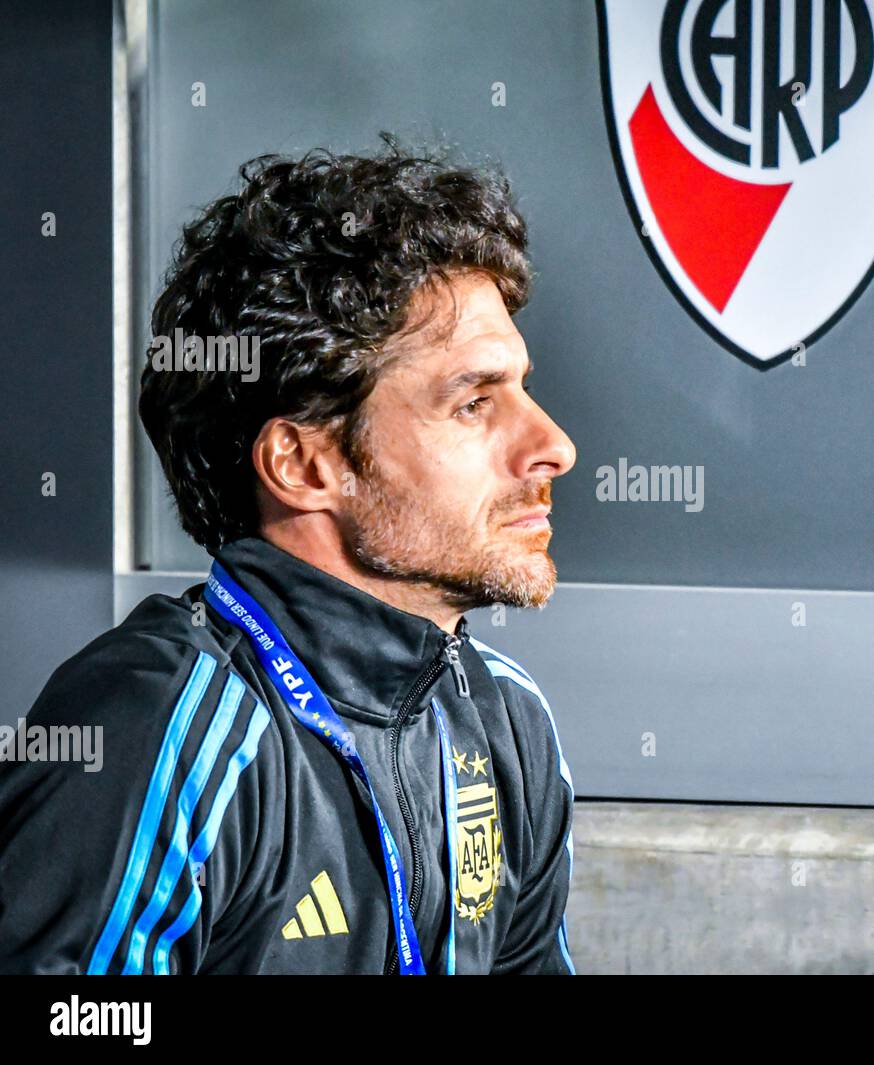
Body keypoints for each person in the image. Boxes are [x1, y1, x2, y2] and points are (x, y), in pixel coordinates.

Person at [0, 135, 579, 974]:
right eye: (473, 403)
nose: (553, 445)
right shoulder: (153, 729)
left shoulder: (505, 719)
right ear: (305, 466)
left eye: (522, 388)